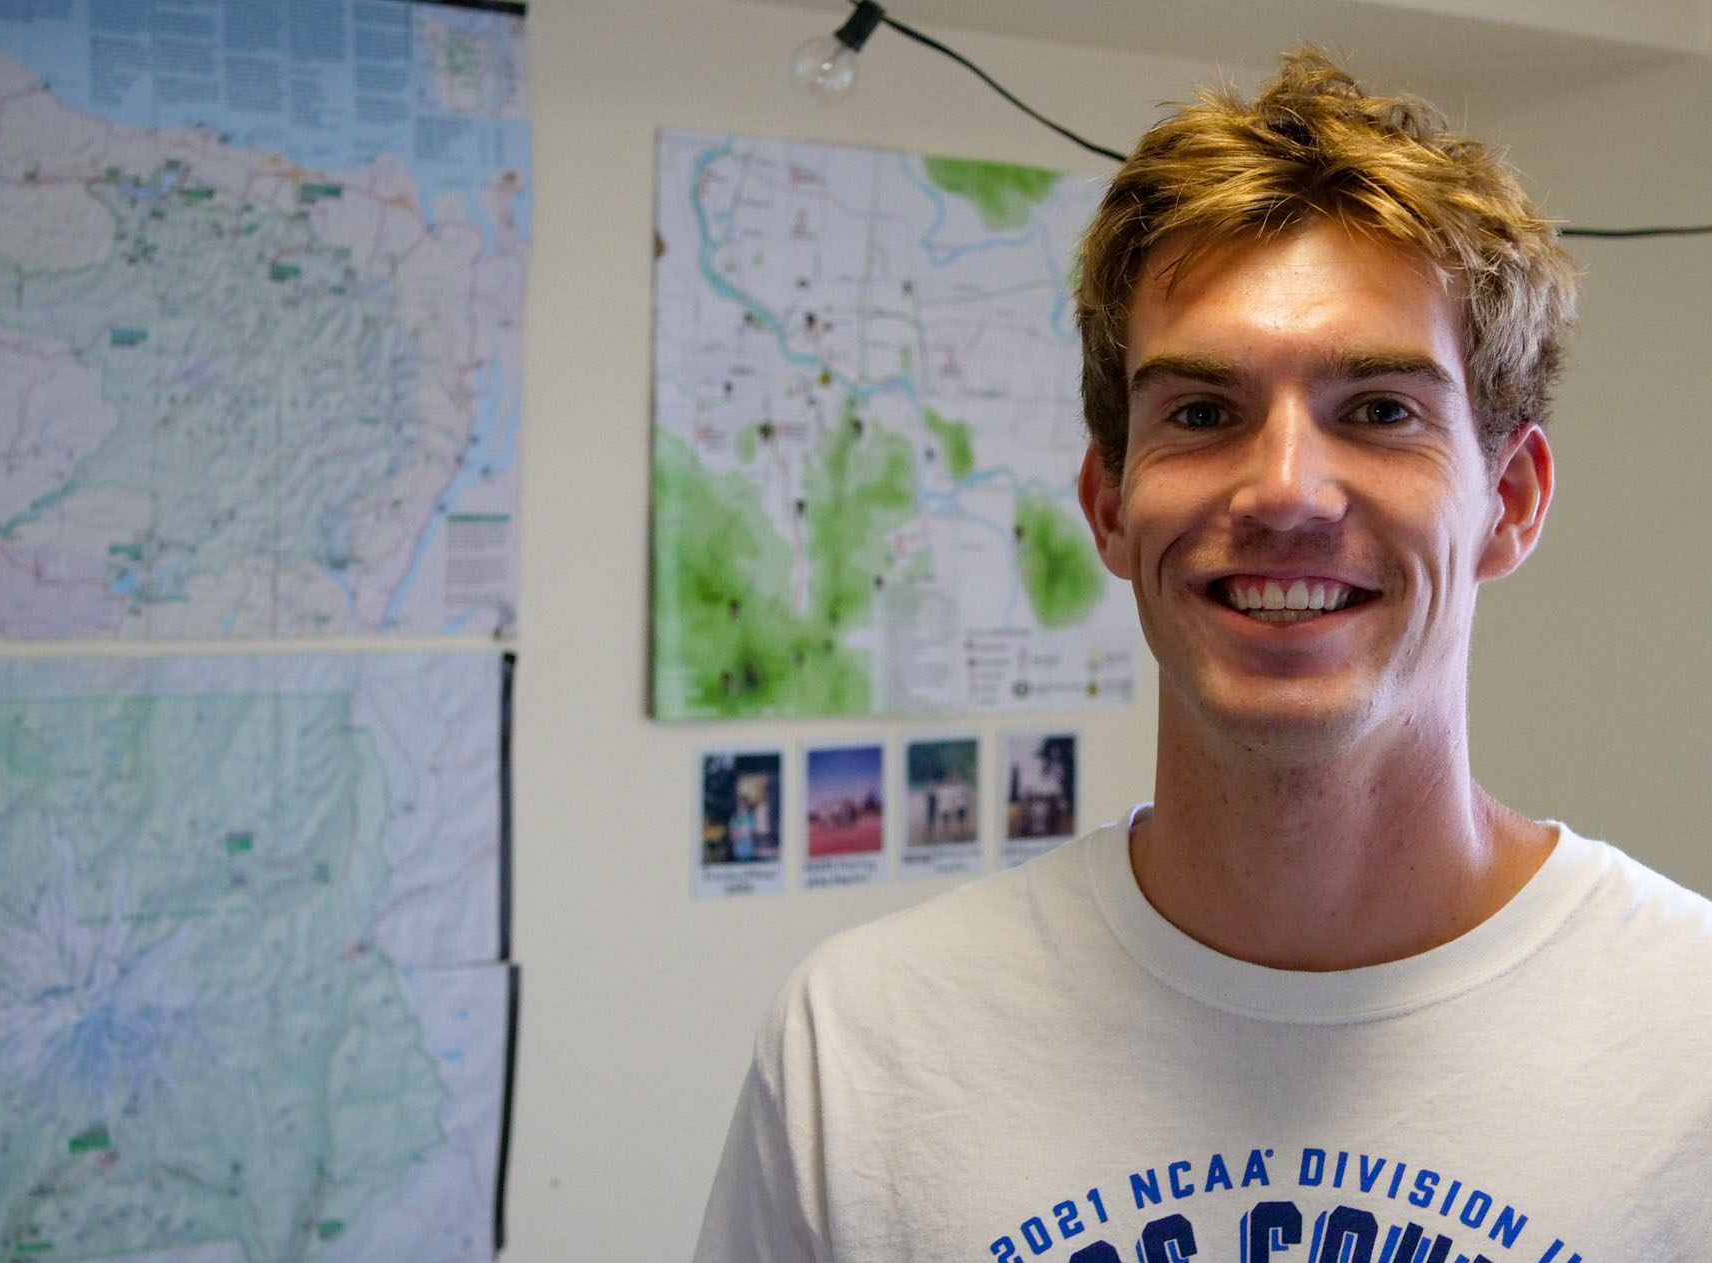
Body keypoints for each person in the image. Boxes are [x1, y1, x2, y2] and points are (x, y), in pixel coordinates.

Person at [694, 49, 1712, 1263]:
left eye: (1380, 409)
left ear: (1510, 501)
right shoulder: (861, 1046)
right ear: (1111, 506)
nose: (1284, 490)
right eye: (1201, 412)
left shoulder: (1687, 1041)